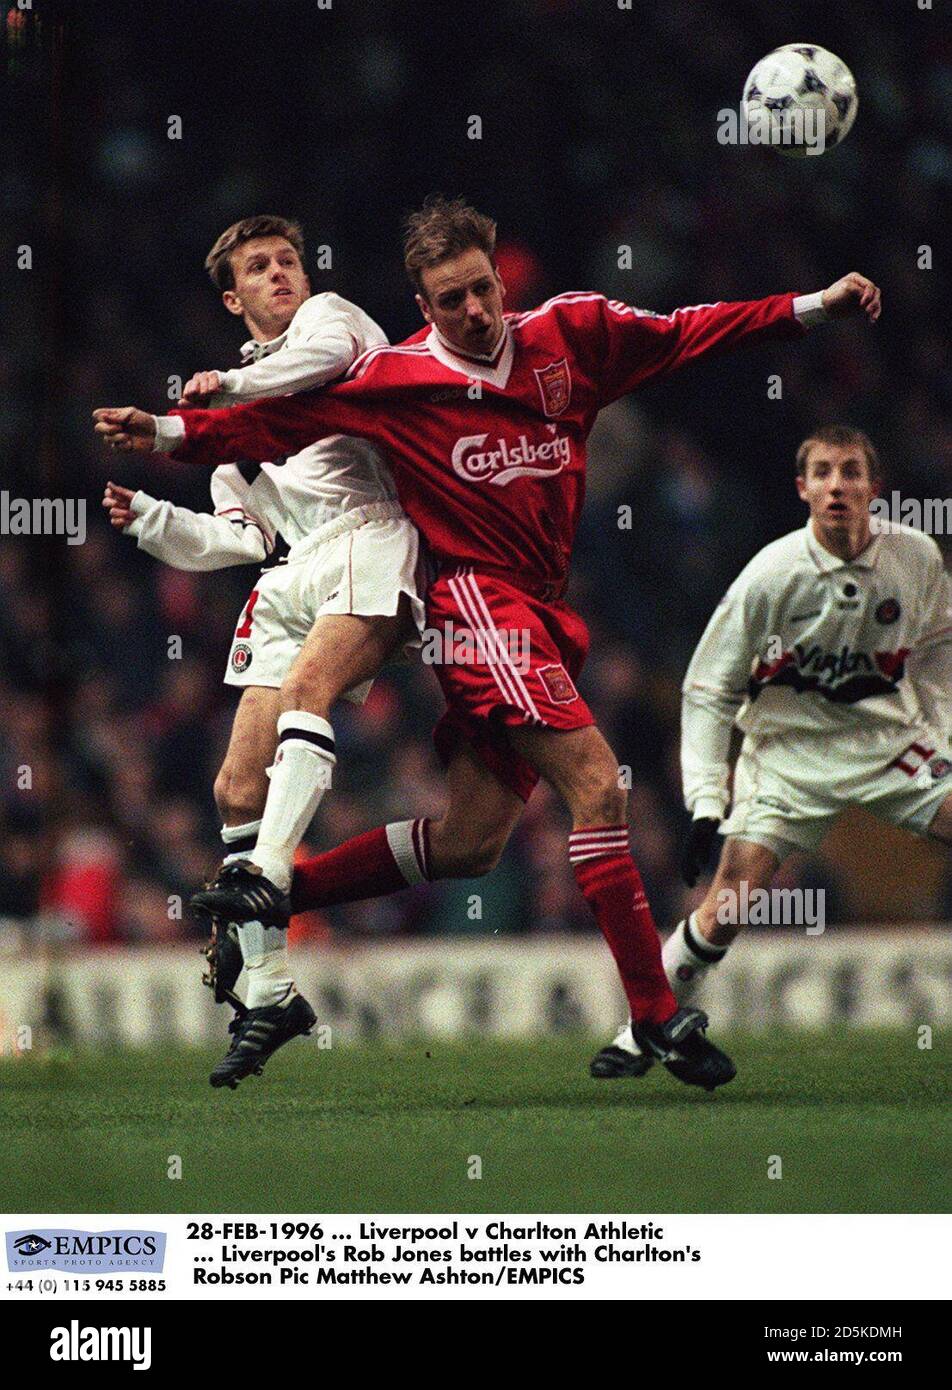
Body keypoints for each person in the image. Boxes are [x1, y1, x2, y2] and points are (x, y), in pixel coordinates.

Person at [94, 194, 882, 1093]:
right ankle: (658, 1014)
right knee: (596, 787)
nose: (473, 313)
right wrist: (165, 431)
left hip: (543, 610)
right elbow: (276, 427)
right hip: (471, 605)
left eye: (481, 291)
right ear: (421, 307)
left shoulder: (571, 334)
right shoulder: (396, 377)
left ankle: (274, 897)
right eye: (449, 301)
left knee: (471, 842)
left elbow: (689, 331)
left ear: (498, 276)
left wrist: (814, 306)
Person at [102, 214, 426, 1088]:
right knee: (234, 785)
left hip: (371, 537)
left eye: (287, 259)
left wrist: (215, 403)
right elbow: (241, 538)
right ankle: (275, 993)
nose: (281, 273)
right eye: (260, 267)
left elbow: (310, 373)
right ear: (231, 295)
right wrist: (156, 521)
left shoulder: (333, 322)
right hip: (294, 572)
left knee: (308, 694)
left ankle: (269, 876)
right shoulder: (234, 402)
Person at [591, 423, 952, 1076]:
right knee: (729, 901)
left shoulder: (918, 557)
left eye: (850, 471)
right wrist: (705, 801)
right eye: (822, 473)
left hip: (891, 747)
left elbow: (938, 649)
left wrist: (944, 736)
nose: (836, 485)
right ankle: (639, 1030)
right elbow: (707, 688)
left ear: (875, 487)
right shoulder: (771, 574)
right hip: (788, 759)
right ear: (802, 489)